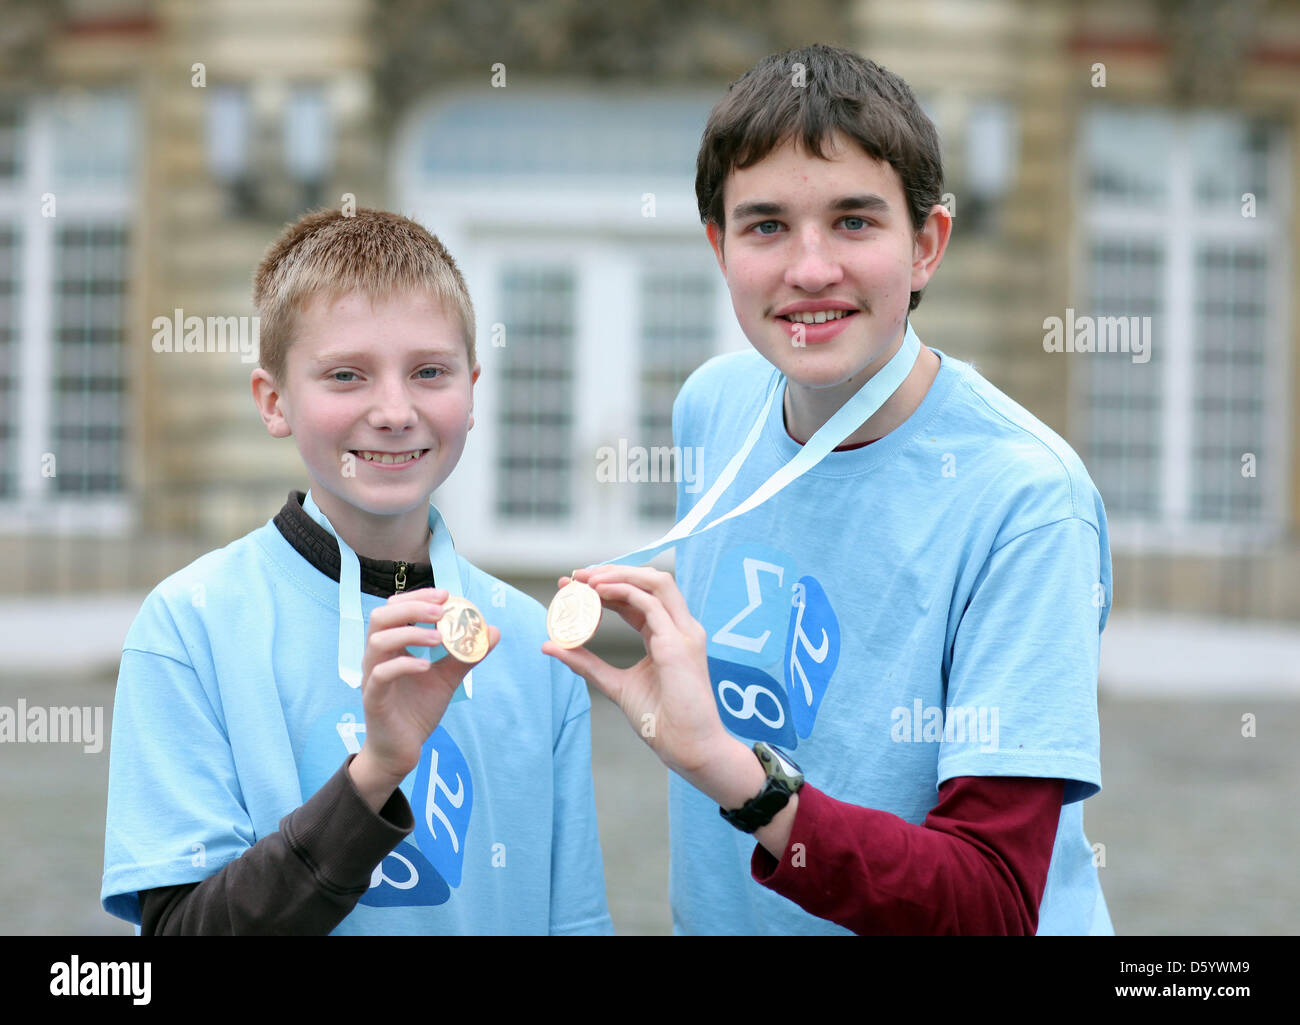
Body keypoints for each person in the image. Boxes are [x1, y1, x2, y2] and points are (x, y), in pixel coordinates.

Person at [544, 44, 1113, 935]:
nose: (810, 270)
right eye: (766, 225)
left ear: (926, 245)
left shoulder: (1027, 501)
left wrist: (734, 773)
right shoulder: (713, 405)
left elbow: (992, 900)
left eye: (854, 221)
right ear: (719, 248)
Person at [102, 208, 613, 935]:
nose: (395, 410)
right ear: (274, 401)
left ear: (471, 391)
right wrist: (373, 773)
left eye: (429, 372)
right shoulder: (190, 625)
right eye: (347, 375)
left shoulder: (532, 641)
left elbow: (576, 922)